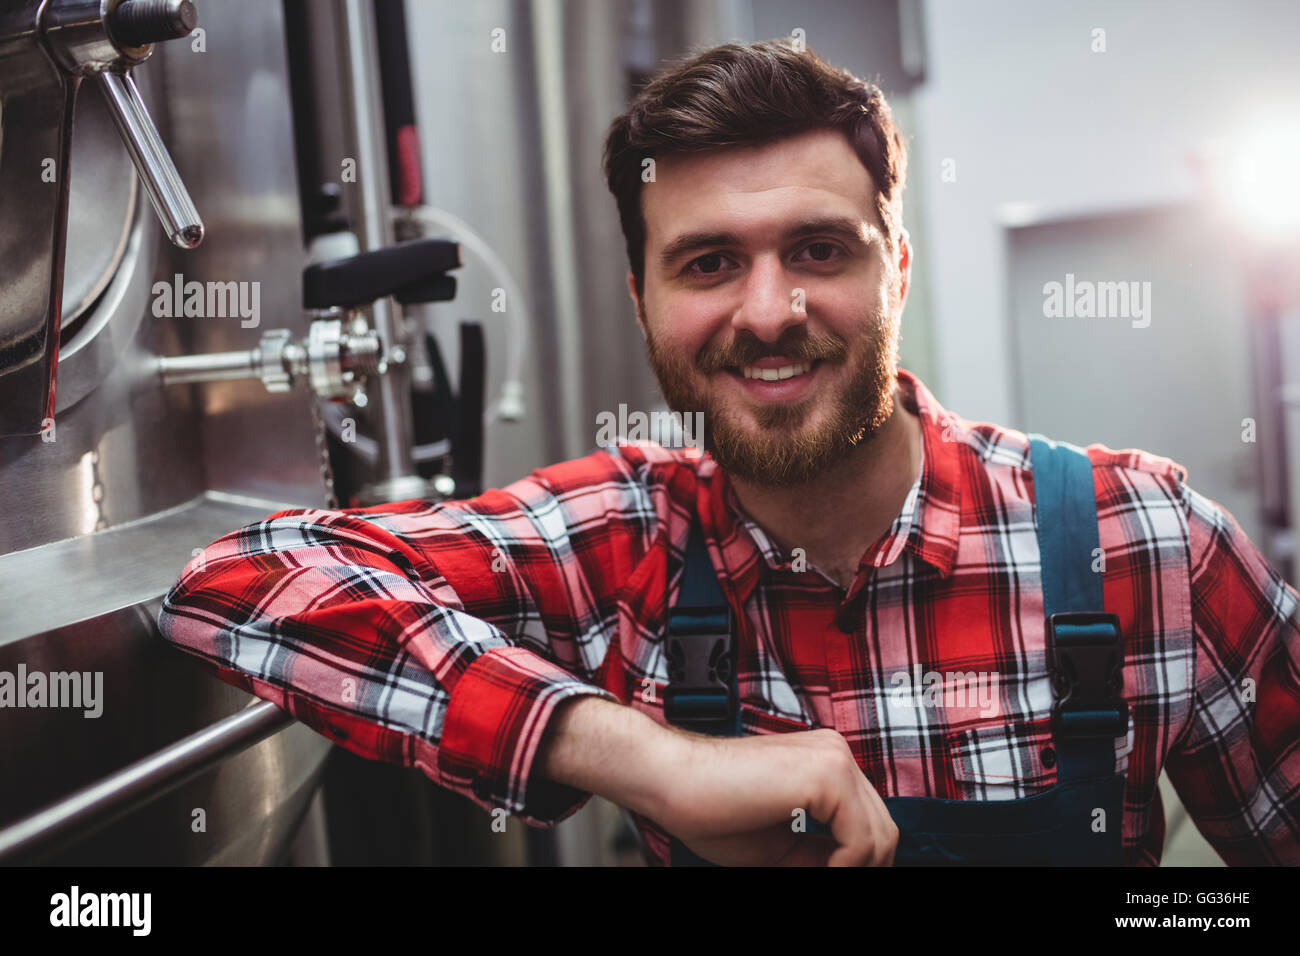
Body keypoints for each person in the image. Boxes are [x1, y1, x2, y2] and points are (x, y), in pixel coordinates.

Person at [157, 39, 1300, 867]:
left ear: (896, 270)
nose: (766, 313)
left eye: (818, 249)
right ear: (641, 300)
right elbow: (230, 581)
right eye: (707, 263)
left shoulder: (1143, 541)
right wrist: (649, 759)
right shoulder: (619, 543)